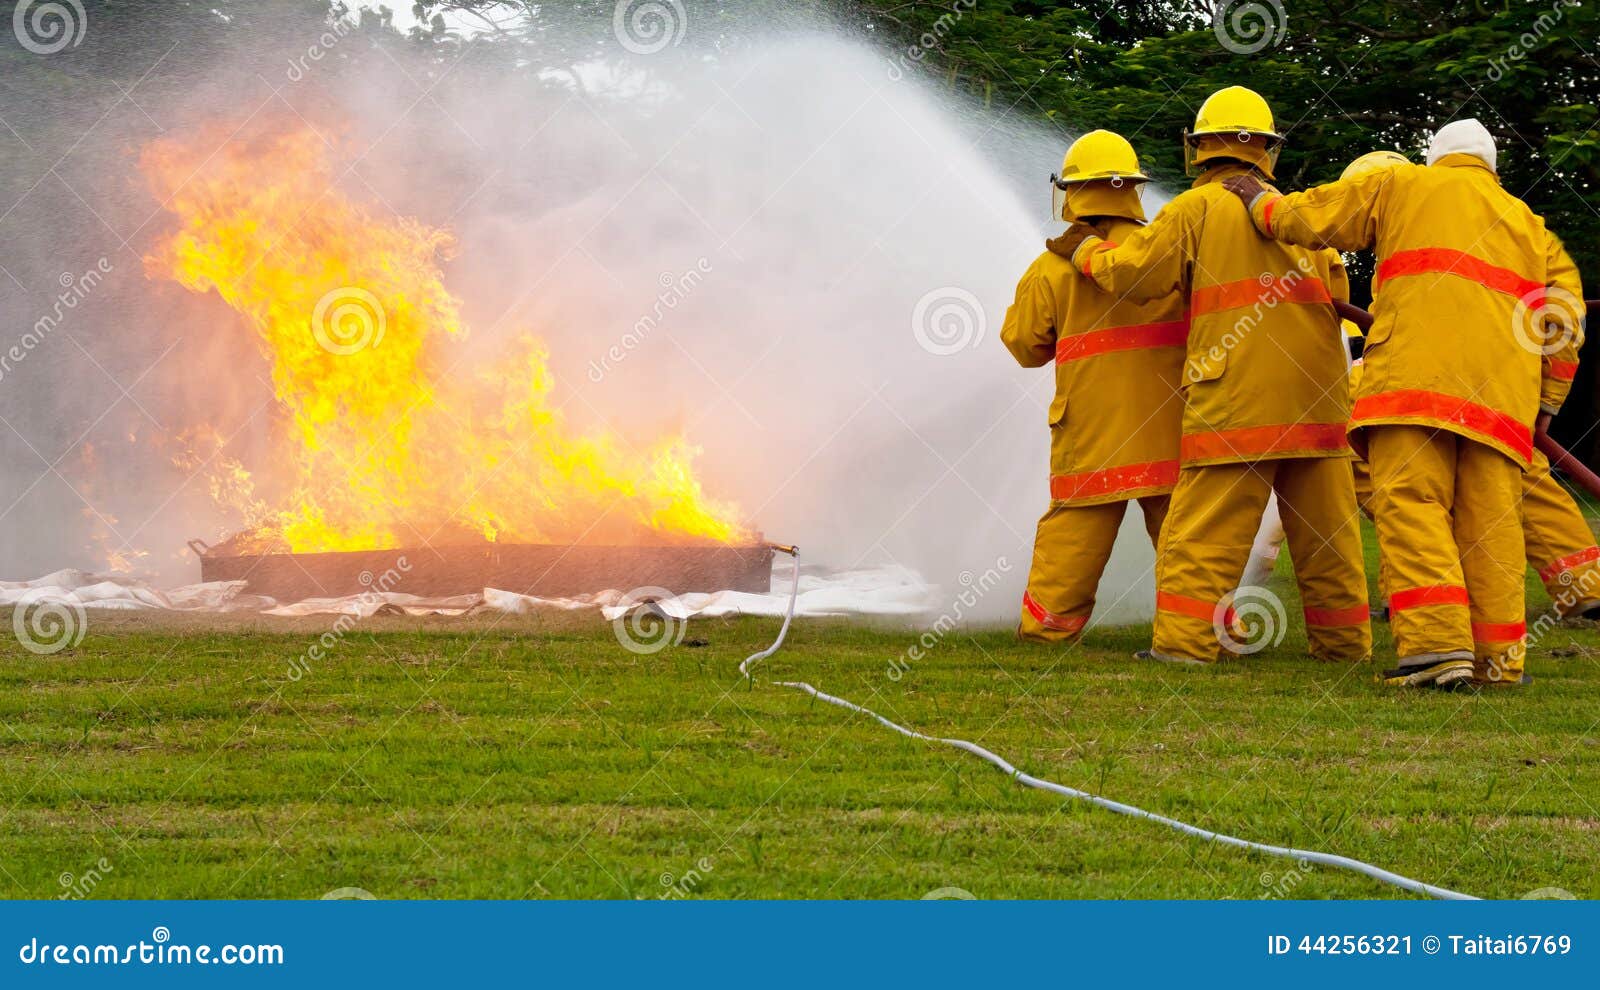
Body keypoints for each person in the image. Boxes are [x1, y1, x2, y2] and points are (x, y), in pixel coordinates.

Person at [1219, 119, 1586, 688]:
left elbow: (1314, 218)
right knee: (1492, 528)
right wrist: (1547, 404)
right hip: (1501, 406)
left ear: (1434, 157)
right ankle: (1499, 662)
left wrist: (1261, 202)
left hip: (1412, 388)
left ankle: (1437, 650)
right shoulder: (1532, 227)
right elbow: (1564, 321)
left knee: (1414, 507)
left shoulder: (1400, 185)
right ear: (1491, 167)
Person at [1049, 87, 1371, 665]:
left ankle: (1184, 647)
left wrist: (1084, 251)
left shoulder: (1193, 210)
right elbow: (1340, 296)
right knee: (1329, 538)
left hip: (1237, 398)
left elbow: (1134, 277)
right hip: (1319, 398)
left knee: (1202, 532)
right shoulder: (1297, 214)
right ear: (1268, 149)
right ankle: (1344, 645)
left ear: (1197, 147)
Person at [1000, 130, 1185, 642]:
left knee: (1072, 539)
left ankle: (1048, 631)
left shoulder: (1052, 267)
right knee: (1186, 539)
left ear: (1072, 192)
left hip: (1092, 433)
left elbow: (1023, 346)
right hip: (1171, 428)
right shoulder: (1166, 254)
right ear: (1133, 191)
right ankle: (1204, 631)